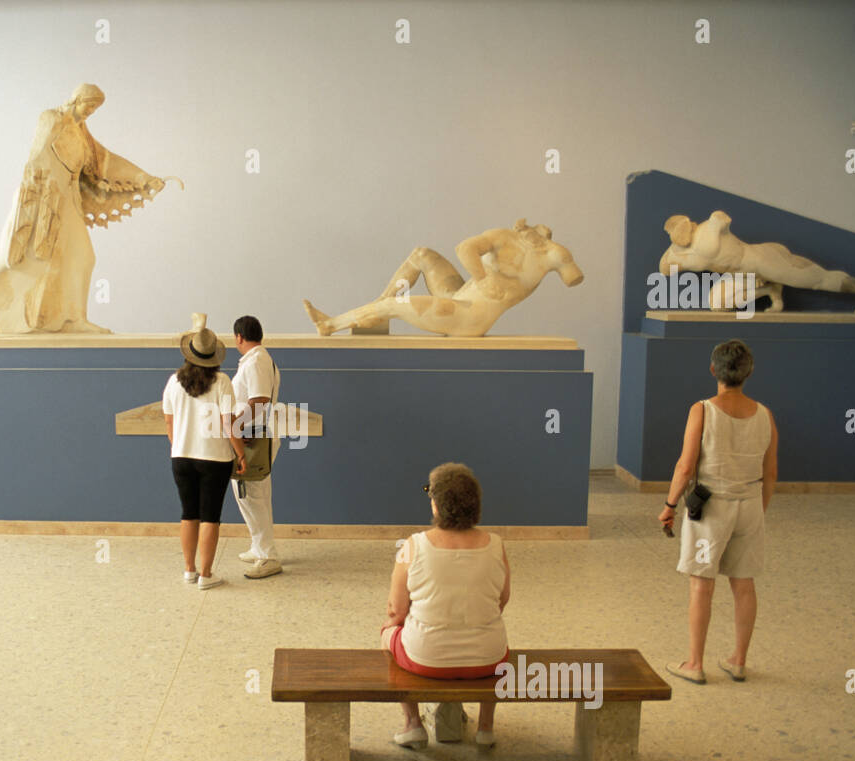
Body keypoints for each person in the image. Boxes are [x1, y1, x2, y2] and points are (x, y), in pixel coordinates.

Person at [0, 83, 176, 336]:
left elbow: (107, 162)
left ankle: (75, 318)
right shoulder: (51, 118)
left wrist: (143, 177)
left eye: (95, 108)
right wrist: (39, 203)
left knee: (83, 257)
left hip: (67, 202)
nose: (91, 111)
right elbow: (36, 161)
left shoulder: (82, 134)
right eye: (89, 105)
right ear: (77, 99)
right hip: (37, 201)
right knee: (10, 259)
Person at [659, 340, 778, 685]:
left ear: (713, 370)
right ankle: (739, 660)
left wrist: (669, 505)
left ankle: (694, 663)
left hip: (711, 511)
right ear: (749, 373)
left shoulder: (703, 410)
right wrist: (758, 510)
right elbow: (770, 473)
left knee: (702, 584)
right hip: (751, 504)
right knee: (744, 584)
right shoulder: (765, 414)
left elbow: (686, 465)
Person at [380, 463, 511, 749]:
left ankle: (412, 724)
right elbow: (502, 600)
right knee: (491, 632)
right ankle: (486, 727)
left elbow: (396, 611)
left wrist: (397, 623)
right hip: (488, 658)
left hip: (426, 658)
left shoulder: (413, 545)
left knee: (388, 635)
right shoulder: (496, 544)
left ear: (437, 506)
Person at [303, 219, 583, 337]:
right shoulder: (503, 237)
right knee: (422, 254)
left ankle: (329, 324)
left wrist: (564, 265)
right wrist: (482, 277)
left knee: (398, 306)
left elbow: (574, 277)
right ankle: (376, 310)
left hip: (469, 318)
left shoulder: (554, 255)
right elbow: (465, 249)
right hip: (460, 294)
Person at [659, 210, 855, 314]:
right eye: (675, 232)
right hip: (741, 276)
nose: (680, 233)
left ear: (689, 222)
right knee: (717, 304)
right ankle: (769, 289)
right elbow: (664, 269)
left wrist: (719, 220)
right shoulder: (680, 252)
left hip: (758, 261)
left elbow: (723, 218)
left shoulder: (711, 225)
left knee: (813, 279)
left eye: (681, 228)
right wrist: (676, 251)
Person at [162, 315, 246, 589]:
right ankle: (207, 575)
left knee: (188, 514)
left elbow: (169, 421)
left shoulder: (174, 381)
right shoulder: (222, 382)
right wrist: (241, 454)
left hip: (181, 457)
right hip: (215, 458)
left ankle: (189, 570)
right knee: (210, 515)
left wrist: (178, 446)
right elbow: (227, 422)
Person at [230, 315, 282, 579]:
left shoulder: (256, 362)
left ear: (239, 337)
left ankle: (268, 556)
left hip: (254, 436)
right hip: (255, 433)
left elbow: (259, 400)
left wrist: (237, 427)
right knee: (251, 494)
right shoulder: (259, 360)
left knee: (252, 495)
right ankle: (259, 546)